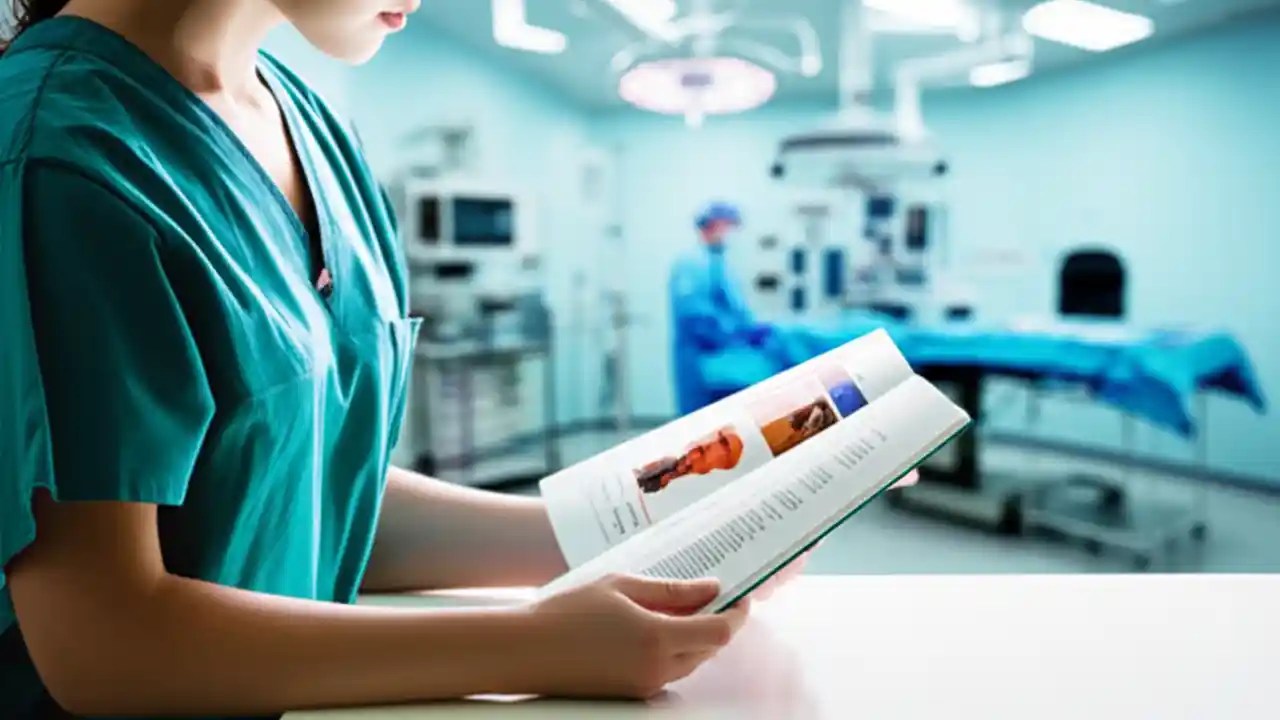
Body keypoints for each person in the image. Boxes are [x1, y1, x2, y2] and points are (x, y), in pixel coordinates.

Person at [0, 2, 764, 717]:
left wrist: (627, 528)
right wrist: (536, 646)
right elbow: (102, 644)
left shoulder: (306, 126)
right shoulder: (58, 158)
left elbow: (307, 497)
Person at [669, 201, 775, 416]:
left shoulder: (719, 263)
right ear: (713, 225)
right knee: (700, 425)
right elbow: (695, 317)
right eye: (730, 225)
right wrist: (738, 333)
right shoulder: (692, 263)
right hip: (704, 360)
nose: (732, 232)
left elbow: (734, 309)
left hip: (726, 357)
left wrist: (748, 329)